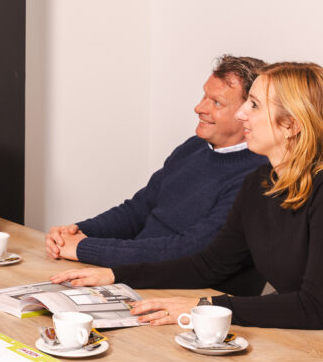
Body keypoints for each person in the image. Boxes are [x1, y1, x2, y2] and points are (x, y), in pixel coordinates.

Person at [51, 62, 323, 349]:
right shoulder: (260, 182)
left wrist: (203, 306)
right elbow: (209, 265)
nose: (242, 116)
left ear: (291, 125)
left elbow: (314, 306)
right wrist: (116, 275)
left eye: (253, 106)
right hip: (304, 342)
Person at [45, 55, 268, 273]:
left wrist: (86, 248)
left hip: (186, 293)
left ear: (248, 113)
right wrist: (76, 232)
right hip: (137, 274)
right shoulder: (194, 147)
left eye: (216, 102)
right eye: (204, 96)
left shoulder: (257, 175)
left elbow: (191, 249)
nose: (199, 108)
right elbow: (137, 211)